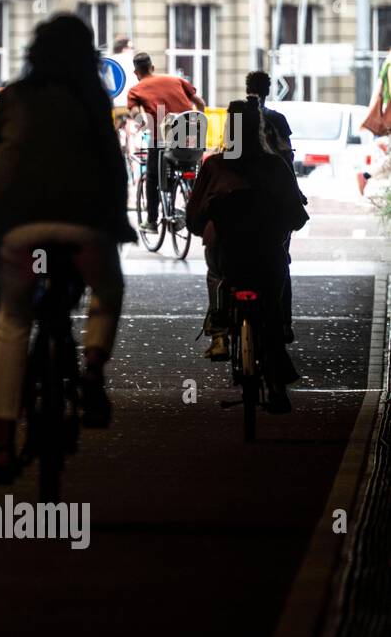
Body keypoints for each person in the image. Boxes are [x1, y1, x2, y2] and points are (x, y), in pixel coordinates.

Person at [0, 14, 135, 479]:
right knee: (107, 291)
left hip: (19, 229)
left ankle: (3, 443)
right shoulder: (90, 102)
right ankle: (91, 367)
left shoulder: (13, 100)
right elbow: (113, 168)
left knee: (12, 320)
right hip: (84, 228)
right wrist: (115, 225)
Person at [187, 100, 308, 412]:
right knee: (272, 302)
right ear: (259, 129)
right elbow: (297, 216)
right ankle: (278, 379)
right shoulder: (276, 166)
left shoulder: (215, 166)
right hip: (268, 253)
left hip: (228, 253)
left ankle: (220, 325)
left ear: (229, 129)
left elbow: (193, 220)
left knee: (218, 272)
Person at [246, 70, 300, 343]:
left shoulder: (236, 119)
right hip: (275, 201)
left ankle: (225, 323)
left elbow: (228, 160)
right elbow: (287, 159)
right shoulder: (278, 120)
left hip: (241, 202)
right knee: (280, 261)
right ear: (268, 90)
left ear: (247, 89)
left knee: (230, 262)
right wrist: (296, 194)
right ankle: (283, 324)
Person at [128, 51, 206, 230]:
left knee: (153, 177)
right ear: (152, 67)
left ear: (136, 73)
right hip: (190, 138)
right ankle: (191, 209)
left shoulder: (136, 90)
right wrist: (197, 124)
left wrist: (143, 123)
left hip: (162, 139)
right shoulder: (176, 80)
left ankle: (152, 221)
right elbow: (200, 102)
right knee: (188, 172)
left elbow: (135, 114)